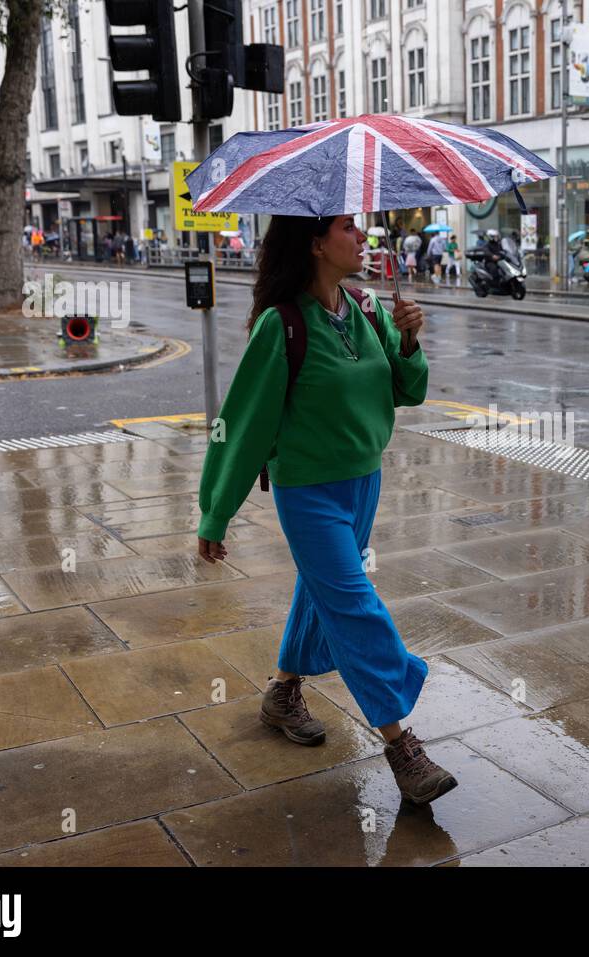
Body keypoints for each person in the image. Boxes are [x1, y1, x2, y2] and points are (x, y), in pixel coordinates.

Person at [196, 213, 458, 804]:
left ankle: (283, 691)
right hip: (308, 492)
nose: (362, 237)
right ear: (316, 244)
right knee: (353, 604)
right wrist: (215, 512)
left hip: (363, 481)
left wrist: (409, 339)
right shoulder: (281, 325)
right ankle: (402, 748)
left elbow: (406, 389)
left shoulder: (365, 311)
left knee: (322, 592)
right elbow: (241, 427)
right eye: (348, 227)